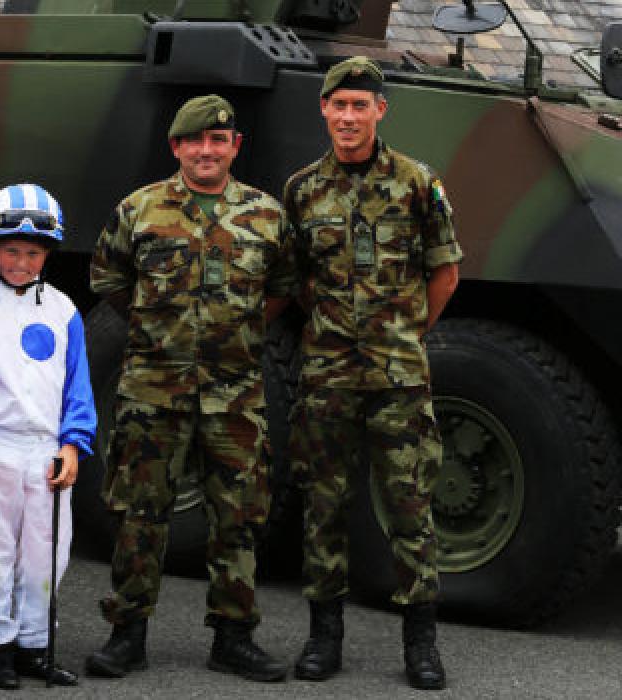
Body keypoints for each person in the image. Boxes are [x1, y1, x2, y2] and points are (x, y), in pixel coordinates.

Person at [85, 95, 296, 682]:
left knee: (239, 517)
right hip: (154, 390)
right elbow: (109, 278)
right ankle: (127, 634)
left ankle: (233, 637)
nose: (207, 151)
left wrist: (238, 330)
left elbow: (280, 288)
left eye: (218, 141)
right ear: (176, 147)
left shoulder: (266, 215)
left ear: (234, 147)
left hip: (234, 397)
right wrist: (160, 328)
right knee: (139, 515)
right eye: (195, 142)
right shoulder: (141, 209)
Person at [283, 56, 462, 691]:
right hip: (328, 375)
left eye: (362, 105)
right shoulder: (303, 190)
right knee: (324, 506)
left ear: (380, 111)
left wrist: (408, 333)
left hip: (398, 377)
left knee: (410, 505)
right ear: (324, 110)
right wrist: (334, 327)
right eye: (340, 104)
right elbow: (295, 277)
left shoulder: (418, 183)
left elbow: (445, 272)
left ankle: (421, 643)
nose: (350, 116)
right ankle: (322, 638)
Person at [0, 184, 96, 690]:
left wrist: (72, 442)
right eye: (11, 250)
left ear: (47, 253)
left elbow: (77, 383)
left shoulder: (62, 309)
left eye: (33, 252)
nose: (21, 261)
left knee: (46, 551)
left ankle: (34, 646)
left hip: (46, 449)